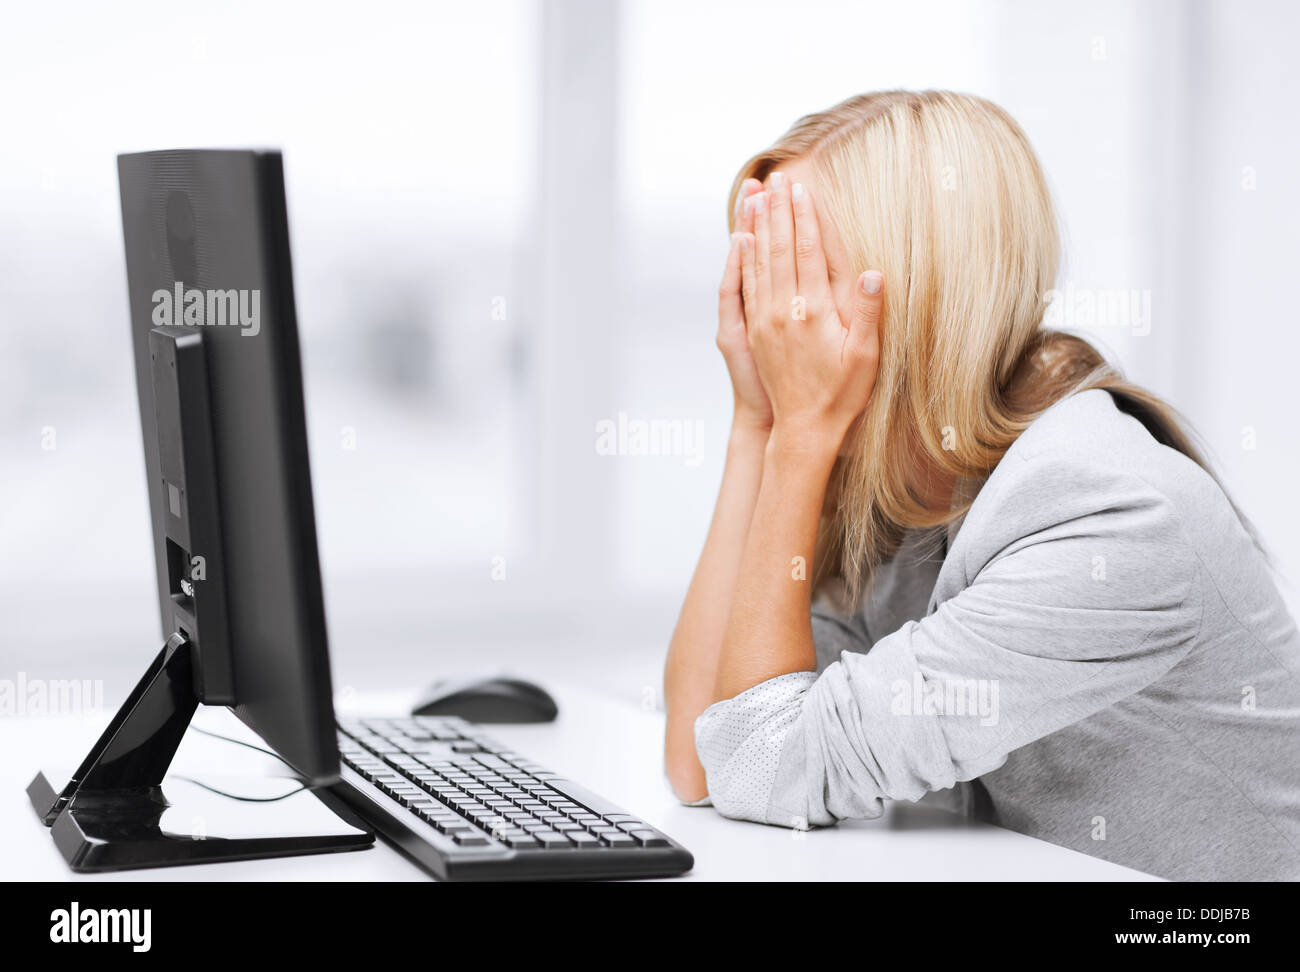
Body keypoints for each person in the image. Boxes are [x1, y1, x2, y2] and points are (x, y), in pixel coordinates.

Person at [662, 90, 1300, 881]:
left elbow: (765, 766)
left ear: (926, 289)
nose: (772, 321)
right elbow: (704, 755)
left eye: (802, 272)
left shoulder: (1105, 513)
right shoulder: (909, 487)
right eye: (762, 273)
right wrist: (755, 423)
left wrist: (797, 435)